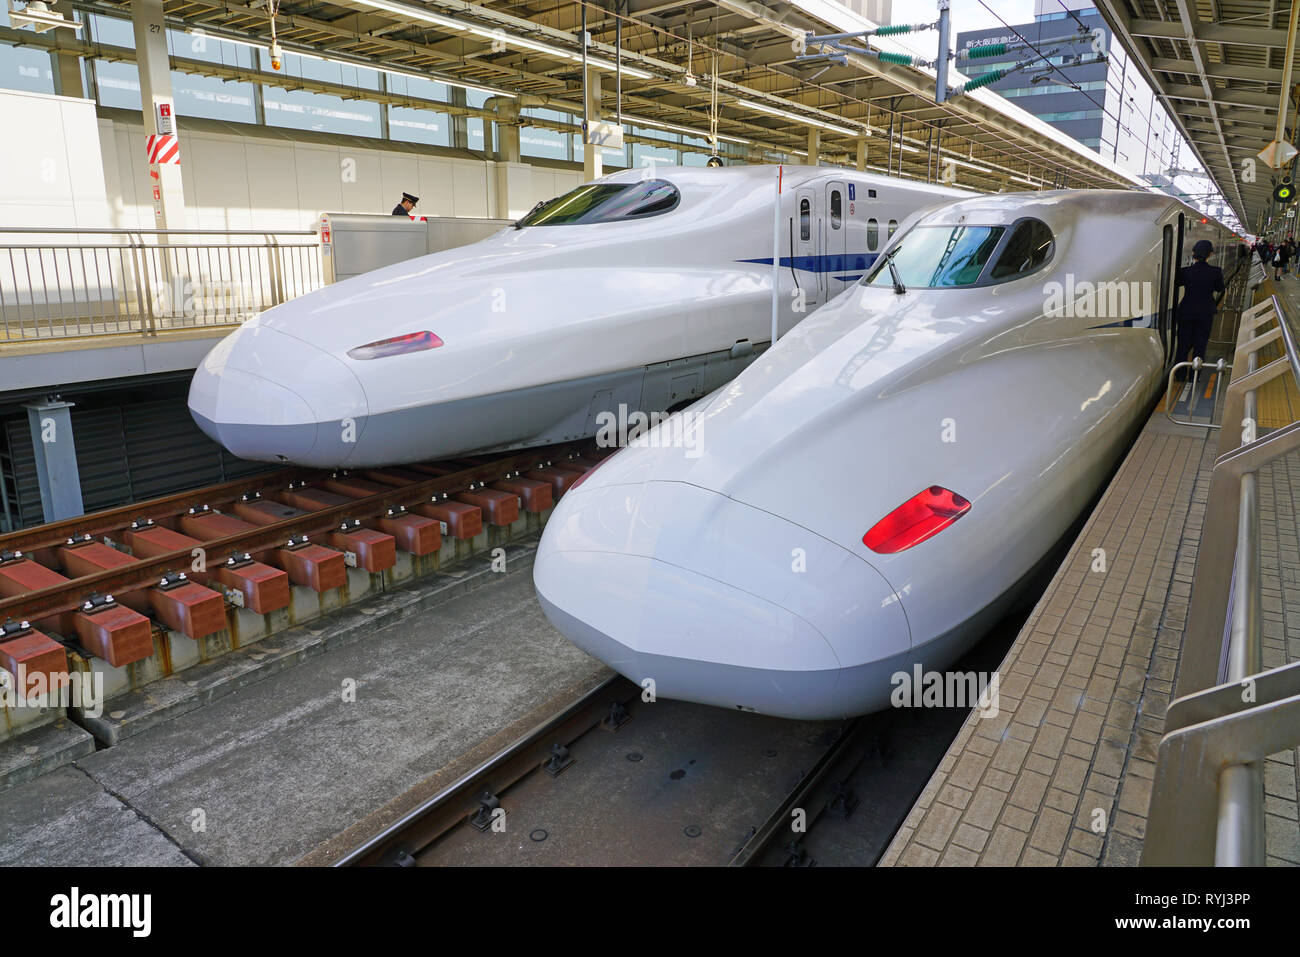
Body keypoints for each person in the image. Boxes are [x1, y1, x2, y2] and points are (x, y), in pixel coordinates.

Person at [1175, 239, 1225, 373]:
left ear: (1193, 254)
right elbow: (1220, 288)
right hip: (1205, 312)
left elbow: (1177, 284)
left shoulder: (1185, 272)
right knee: (1200, 345)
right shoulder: (1215, 271)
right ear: (1210, 255)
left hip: (1186, 311)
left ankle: (1179, 374)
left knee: (1183, 344)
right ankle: (1194, 376)